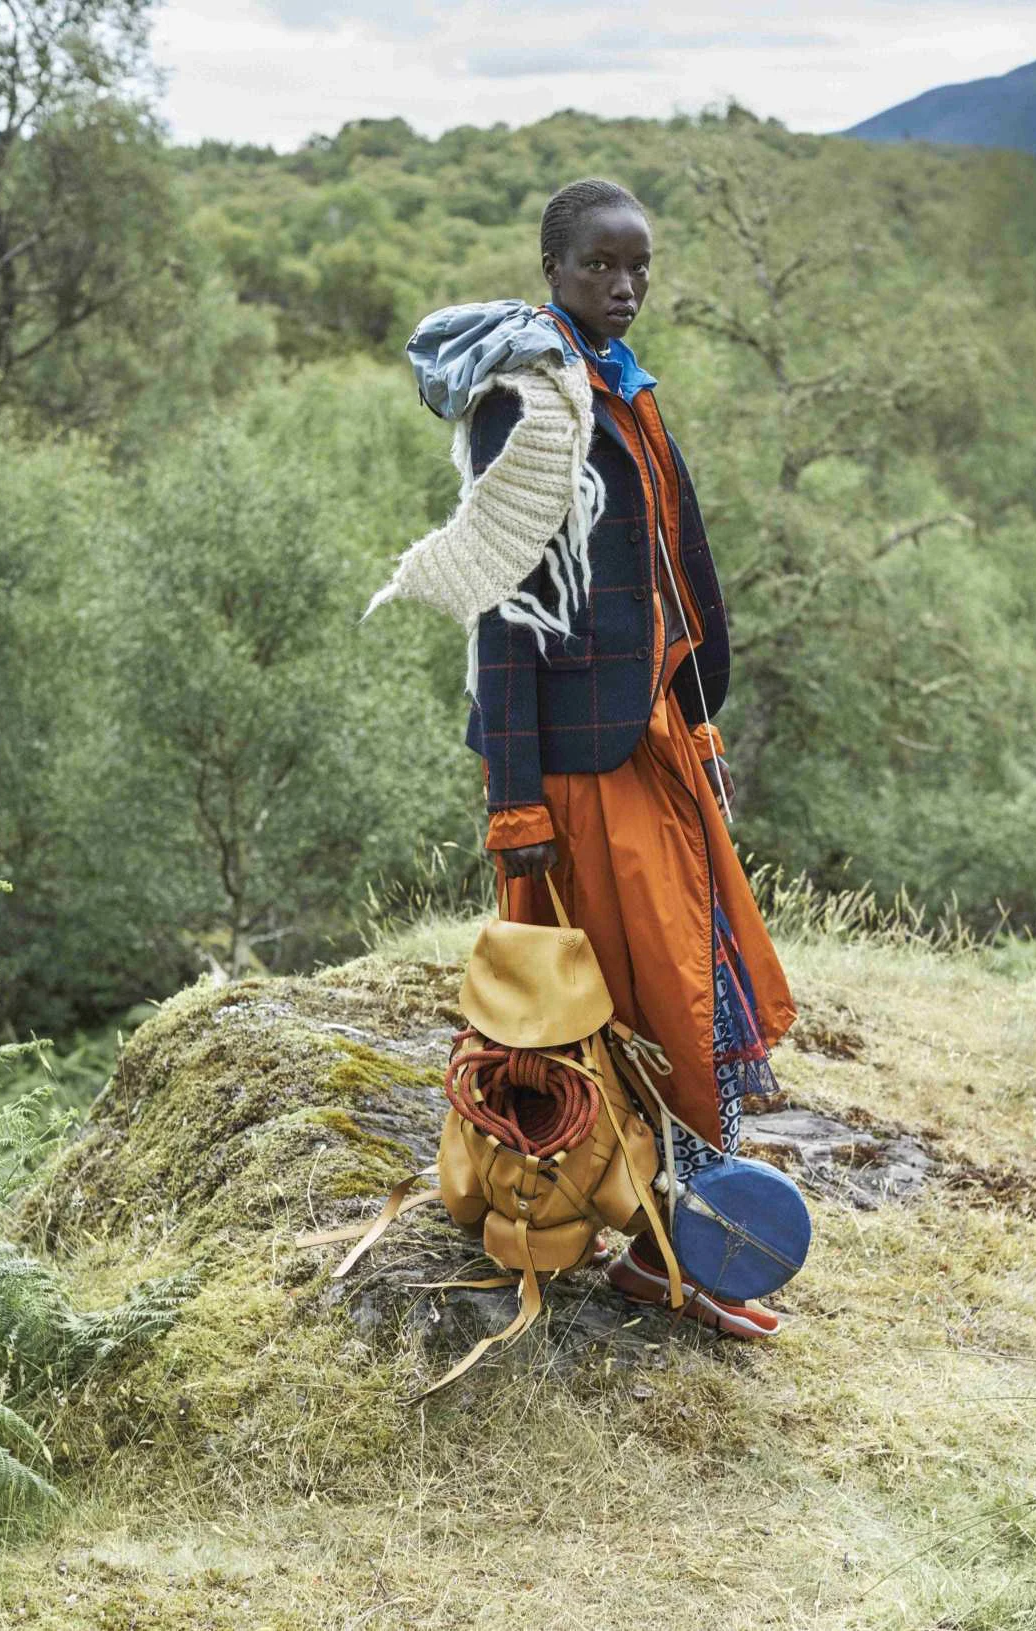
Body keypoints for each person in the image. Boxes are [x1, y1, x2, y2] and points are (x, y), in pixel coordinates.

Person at [371, 178, 798, 1338]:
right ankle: (615, 1229)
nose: (625, 284)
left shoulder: (618, 388)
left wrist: (696, 714)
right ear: (552, 269)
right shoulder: (528, 401)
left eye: (638, 266)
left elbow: (666, 566)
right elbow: (503, 613)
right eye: (601, 265)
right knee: (603, 1006)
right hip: (570, 764)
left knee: (680, 985)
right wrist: (516, 803)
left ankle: (673, 1246)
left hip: (647, 735)